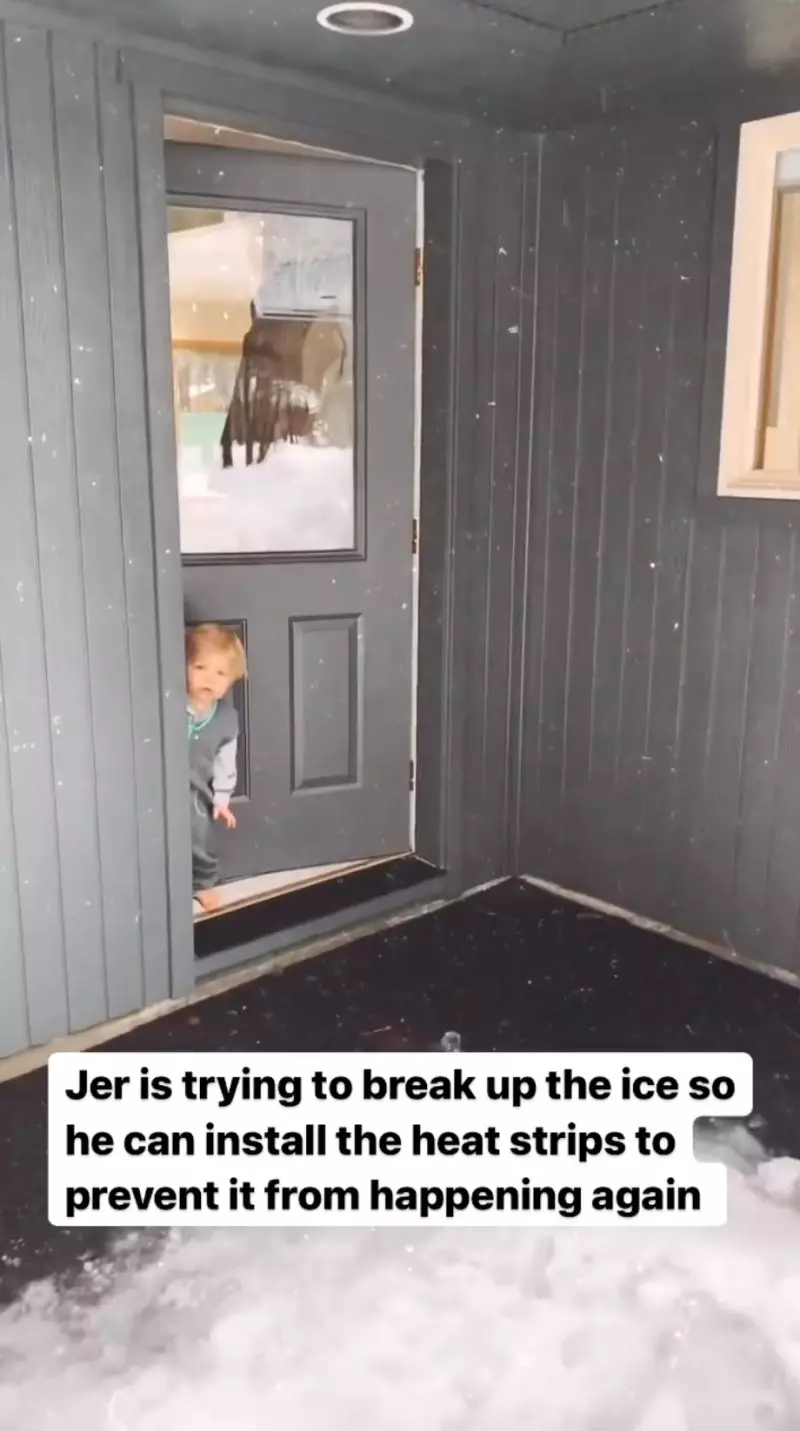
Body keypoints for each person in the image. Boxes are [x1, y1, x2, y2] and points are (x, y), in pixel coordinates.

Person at [186, 623, 247, 912]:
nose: (209, 678)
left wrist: (222, 798)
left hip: (196, 791)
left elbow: (225, 761)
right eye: (200, 667)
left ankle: (203, 882)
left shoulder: (224, 718)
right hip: (158, 787)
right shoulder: (171, 703)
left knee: (198, 838)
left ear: (231, 680)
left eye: (221, 673)